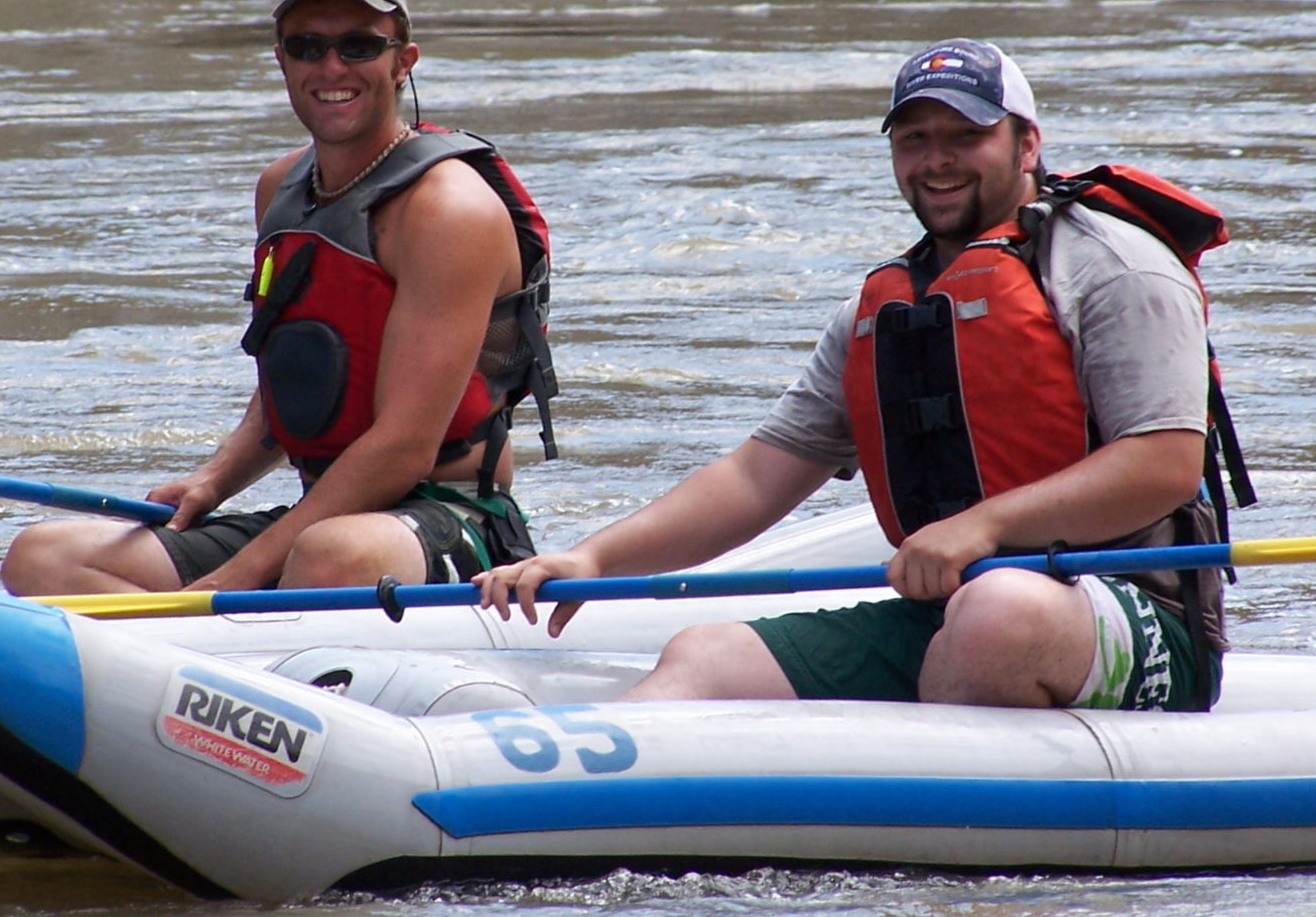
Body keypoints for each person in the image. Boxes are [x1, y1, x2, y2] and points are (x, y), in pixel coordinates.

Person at [478, 37, 1232, 712]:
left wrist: (982, 528)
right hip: (952, 607)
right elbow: (756, 476)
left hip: (1138, 612)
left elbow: (1163, 464)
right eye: (915, 139)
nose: (937, 159)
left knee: (998, 612)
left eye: (967, 136)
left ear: (1026, 144)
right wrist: (594, 557)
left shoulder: (1119, 268)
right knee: (703, 654)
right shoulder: (887, 306)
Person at [1, 0, 557, 597]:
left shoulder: (446, 209)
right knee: (44, 557)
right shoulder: (281, 190)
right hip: (321, 513)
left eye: (358, 46)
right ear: (282, 61)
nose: (331, 68)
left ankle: (220, 635)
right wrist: (215, 479)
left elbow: (404, 447)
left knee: (330, 554)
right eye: (308, 47)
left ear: (403, 62)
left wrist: (235, 576)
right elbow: (300, 380)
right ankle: (198, 668)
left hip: (449, 516)